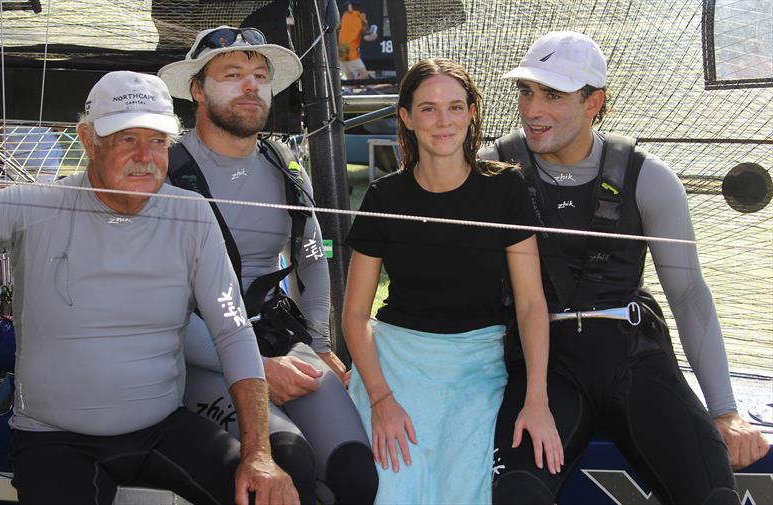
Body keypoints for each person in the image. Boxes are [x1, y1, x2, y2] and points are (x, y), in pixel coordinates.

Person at [0, 70, 297, 505]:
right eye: (127, 138)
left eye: (159, 140)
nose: (145, 156)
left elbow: (232, 330)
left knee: (270, 493)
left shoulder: (193, 214)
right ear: (88, 140)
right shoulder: (35, 205)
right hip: (54, 437)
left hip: (161, 427)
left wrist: (259, 454)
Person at [480, 31, 770, 504]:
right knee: (517, 495)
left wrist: (725, 410)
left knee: (715, 494)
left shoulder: (648, 177)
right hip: (542, 372)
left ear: (594, 101)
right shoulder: (493, 169)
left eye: (552, 95)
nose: (532, 109)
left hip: (635, 362)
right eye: (526, 91)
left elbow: (689, 295)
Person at [158, 26, 378, 504]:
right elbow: (161, 309)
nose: (251, 85)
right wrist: (255, 366)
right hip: (199, 353)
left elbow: (311, 258)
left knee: (355, 474)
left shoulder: (281, 160)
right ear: (197, 89)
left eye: (260, 75)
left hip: (278, 339)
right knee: (290, 464)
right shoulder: (166, 174)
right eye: (232, 74)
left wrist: (318, 344)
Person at [343, 58, 563, 504]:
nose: (443, 121)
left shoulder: (505, 189)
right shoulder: (385, 196)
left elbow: (530, 305)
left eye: (455, 107)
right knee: (390, 482)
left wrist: (536, 399)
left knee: (464, 485)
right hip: (394, 365)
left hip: (474, 367)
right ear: (405, 117)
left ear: (471, 112)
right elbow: (354, 315)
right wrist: (381, 398)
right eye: (427, 109)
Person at [338, 2, 372, 80]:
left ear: (352, 6)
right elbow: (367, 35)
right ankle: (350, 89)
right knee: (364, 75)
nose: (348, 6)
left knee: (349, 77)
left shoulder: (345, 15)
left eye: (349, 4)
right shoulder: (360, 18)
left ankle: (349, 90)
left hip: (341, 49)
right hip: (351, 51)